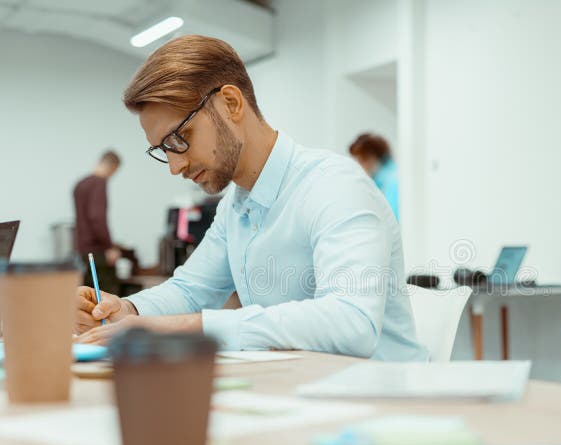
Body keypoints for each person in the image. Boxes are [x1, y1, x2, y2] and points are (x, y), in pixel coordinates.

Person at [74, 35, 426, 362]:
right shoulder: (236, 205)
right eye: (163, 150)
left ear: (231, 103)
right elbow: (191, 290)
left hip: (386, 404)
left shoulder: (334, 186)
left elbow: (352, 322)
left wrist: (181, 327)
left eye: (180, 139)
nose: (175, 165)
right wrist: (126, 312)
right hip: (308, 394)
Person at [73, 150, 122, 295]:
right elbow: (97, 218)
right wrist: (109, 247)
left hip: (83, 250)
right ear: (113, 167)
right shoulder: (99, 183)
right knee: (107, 297)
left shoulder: (80, 184)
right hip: (98, 252)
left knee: (89, 296)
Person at [349, 133, 399, 220]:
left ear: (372, 157)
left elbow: (390, 220)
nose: (359, 166)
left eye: (361, 160)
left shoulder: (393, 182)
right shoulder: (379, 182)